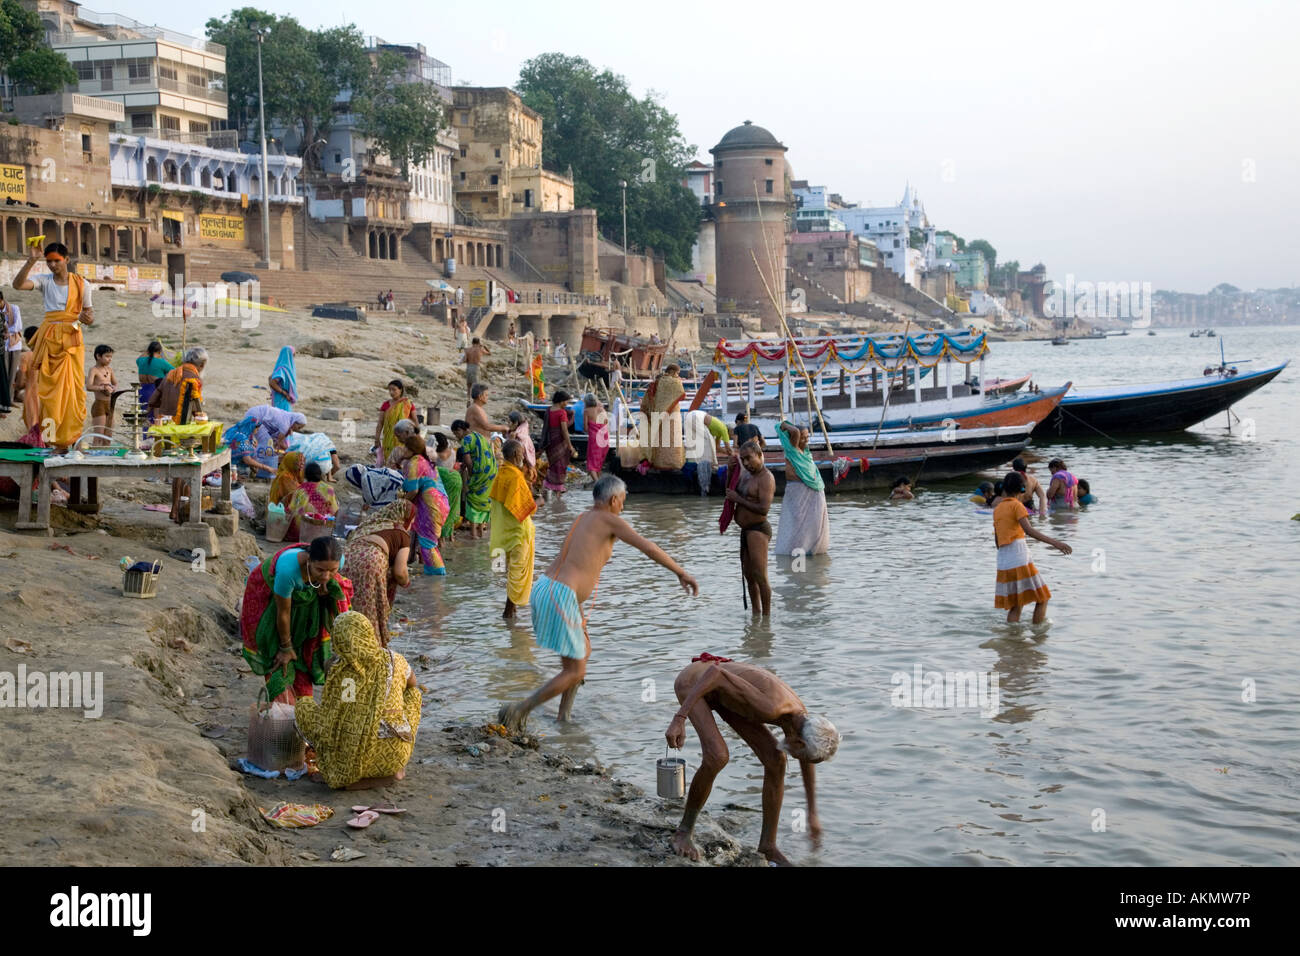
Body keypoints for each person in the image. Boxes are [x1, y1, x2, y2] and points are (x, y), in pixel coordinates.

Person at [497, 475, 697, 733]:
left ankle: (563, 718)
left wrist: (577, 609)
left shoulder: (583, 517)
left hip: (550, 589)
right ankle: (518, 710)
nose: (623, 508)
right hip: (560, 594)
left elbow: (576, 561)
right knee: (575, 671)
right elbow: (648, 547)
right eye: (623, 502)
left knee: (583, 653)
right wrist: (681, 572)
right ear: (613, 500)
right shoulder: (610, 520)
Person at [665, 655, 839, 865]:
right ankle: (683, 832)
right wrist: (679, 719)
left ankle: (768, 846)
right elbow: (716, 673)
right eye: (801, 754)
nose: (799, 759)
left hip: (726, 695)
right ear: (799, 744)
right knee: (718, 756)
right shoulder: (772, 707)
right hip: (696, 683)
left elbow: (806, 760)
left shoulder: (800, 720)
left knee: (776, 761)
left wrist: (812, 813)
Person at [294, 611, 421, 790]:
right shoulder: (394, 660)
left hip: (354, 760)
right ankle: (394, 770)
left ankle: (355, 778)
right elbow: (413, 683)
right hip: (397, 753)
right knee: (414, 695)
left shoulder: (344, 674)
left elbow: (341, 714)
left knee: (304, 706)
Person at [240, 536, 352, 703]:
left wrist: (322, 583)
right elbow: (283, 613)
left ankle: (301, 693)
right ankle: (281, 691)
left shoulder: (337, 560)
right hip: (270, 598)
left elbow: (328, 576)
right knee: (275, 647)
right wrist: (285, 647)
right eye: (320, 570)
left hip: (303, 598)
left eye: (332, 570)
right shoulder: (288, 572)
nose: (327, 575)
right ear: (309, 561)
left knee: (306, 646)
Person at [12, 241, 94, 449]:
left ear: (66, 260)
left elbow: (89, 316)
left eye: (56, 261)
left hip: (72, 342)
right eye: (49, 261)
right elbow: (18, 285)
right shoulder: (45, 281)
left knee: (73, 391)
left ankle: (71, 438)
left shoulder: (83, 284)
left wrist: (86, 318)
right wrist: (32, 260)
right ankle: (48, 440)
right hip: (49, 339)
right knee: (48, 392)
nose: (52, 265)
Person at [993, 471, 1072, 624]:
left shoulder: (998, 509)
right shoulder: (1017, 506)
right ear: (1022, 489)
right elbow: (1029, 531)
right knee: (1043, 598)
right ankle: (1038, 635)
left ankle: (1012, 639)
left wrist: (1006, 557)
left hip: (1003, 561)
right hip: (1019, 558)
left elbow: (997, 540)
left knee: (1017, 605)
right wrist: (1056, 543)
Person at [343, 500, 416, 647]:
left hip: (345, 559)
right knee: (370, 609)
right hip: (371, 560)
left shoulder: (370, 523)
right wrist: (407, 583)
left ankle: (346, 644)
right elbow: (400, 573)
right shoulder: (402, 534)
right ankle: (371, 648)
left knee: (349, 605)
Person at [489, 439, 537, 620]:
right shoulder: (515, 477)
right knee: (517, 571)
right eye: (522, 454)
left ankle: (512, 610)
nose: (523, 457)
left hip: (504, 532)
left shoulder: (501, 473)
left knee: (511, 570)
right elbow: (524, 508)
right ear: (517, 455)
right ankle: (508, 611)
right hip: (518, 532)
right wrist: (537, 502)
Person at [726, 441, 775, 616]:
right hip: (745, 530)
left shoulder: (766, 478)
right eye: (743, 459)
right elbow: (729, 491)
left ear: (760, 455)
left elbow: (764, 508)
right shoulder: (745, 475)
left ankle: (767, 617)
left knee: (760, 575)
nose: (746, 463)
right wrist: (731, 471)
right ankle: (756, 614)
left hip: (758, 529)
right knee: (749, 576)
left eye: (749, 458)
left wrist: (738, 499)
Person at [774, 422, 830, 556]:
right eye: (802, 437)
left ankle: (811, 549)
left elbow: (798, 434)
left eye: (807, 437)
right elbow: (795, 432)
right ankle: (797, 552)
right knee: (798, 521)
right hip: (798, 491)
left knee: (814, 521)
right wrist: (784, 425)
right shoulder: (792, 448)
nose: (805, 440)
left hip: (813, 490)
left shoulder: (805, 451)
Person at [463, 384, 508, 536]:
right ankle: (474, 527)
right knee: (478, 488)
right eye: (487, 395)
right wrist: (503, 427)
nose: (488, 397)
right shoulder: (474, 408)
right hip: (477, 451)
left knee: (486, 489)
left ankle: (481, 526)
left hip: (485, 451)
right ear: (480, 395)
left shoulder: (479, 409)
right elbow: (486, 426)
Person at [401, 434, 449, 575]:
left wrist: (401, 504)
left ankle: (437, 579)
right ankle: (432, 575)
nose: (403, 450)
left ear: (411, 449)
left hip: (431, 505)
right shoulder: (424, 460)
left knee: (428, 545)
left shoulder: (415, 463)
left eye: (405, 447)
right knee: (428, 543)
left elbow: (413, 490)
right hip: (440, 503)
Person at [225, 404, 307, 480]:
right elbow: (248, 460)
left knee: (256, 447)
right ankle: (257, 472)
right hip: (228, 463)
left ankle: (253, 469)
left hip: (229, 457)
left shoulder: (238, 432)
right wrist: (268, 468)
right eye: (257, 428)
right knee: (264, 444)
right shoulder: (243, 439)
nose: (258, 431)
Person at [644, 363, 686, 470]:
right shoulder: (673, 382)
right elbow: (681, 391)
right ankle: (673, 463)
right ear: (672, 372)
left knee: (661, 440)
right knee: (672, 439)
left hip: (659, 414)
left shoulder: (658, 381)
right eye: (677, 373)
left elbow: (650, 398)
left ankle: (659, 462)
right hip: (672, 415)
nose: (677, 375)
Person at [148, 346, 206, 424]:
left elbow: (152, 401)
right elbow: (197, 411)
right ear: (202, 365)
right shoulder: (195, 379)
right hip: (181, 424)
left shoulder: (170, 374)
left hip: (164, 422)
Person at [284, 461, 338, 540]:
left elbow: (291, 508)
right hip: (321, 529)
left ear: (306, 475)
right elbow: (334, 510)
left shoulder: (300, 489)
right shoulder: (329, 489)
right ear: (320, 474)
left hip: (300, 530)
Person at [374, 379, 418, 467]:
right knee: (389, 460)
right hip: (388, 438)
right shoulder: (386, 404)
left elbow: (415, 420)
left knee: (403, 459)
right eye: (389, 390)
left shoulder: (407, 404)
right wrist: (377, 438)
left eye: (394, 389)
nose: (391, 392)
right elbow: (380, 423)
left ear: (400, 390)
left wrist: (417, 436)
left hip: (403, 438)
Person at [542, 390, 575, 496]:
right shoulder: (562, 412)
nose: (567, 404)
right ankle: (557, 493)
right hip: (559, 441)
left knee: (553, 465)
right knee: (560, 466)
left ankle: (549, 489)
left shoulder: (549, 410)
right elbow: (564, 431)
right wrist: (570, 446)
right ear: (561, 401)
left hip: (550, 441)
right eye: (566, 401)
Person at [433, 432, 463, 543]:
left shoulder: (435, 455)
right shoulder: (452, 452)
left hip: (443, 482)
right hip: (455, 479)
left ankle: (441, 540)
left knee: (442, 510)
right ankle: (451, 537)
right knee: (452, 509)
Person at [86, 344, 117, 446]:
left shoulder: (110, 369)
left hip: (110, 404)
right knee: (99, 436)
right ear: (98, 356)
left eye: (111, 357)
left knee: (108, 436)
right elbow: (89, 386)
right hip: (99, 405)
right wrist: (102, 387)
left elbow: (115, 383)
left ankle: (106, 459)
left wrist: (112, 388)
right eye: (107, 356)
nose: (110, 359)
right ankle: (95, 459)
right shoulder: (93, 370)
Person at [134, 340, 172, 421]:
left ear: (148, 350)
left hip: (142, 390)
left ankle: (145, 433)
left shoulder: (141, 360)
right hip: (156, 390)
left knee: (146, 417)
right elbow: (174, 371)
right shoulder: (161, 362)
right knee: (157, 418)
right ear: (160, 351)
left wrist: (147, 351)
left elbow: (138, 359)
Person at [0, 290, 22, 415]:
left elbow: (18, 326)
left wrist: (7, 332)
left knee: (12, 374)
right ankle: (5, 402)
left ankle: (10, 399)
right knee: (4, 375)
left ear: (2, 299)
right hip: (3, 347)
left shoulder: (14, 308)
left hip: (14, 345)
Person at [584, 394, 609, 481]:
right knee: (599, 461)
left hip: (594, 438)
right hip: (604, 437)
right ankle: (599, 481)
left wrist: (592, 429)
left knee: (591, 462)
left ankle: (597, 482)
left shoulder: (586, 411)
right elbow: (606, 422)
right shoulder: (602, 409)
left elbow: (585, 428)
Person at [268, 345, 297, 412]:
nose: (294, 357)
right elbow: (272, 382)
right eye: (293, 355)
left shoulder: (281, 367)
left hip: (279, 398)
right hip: (282, 399)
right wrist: (284, 393)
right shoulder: (283, 369)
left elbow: (270, 377)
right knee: (283, 419)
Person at [463, 336, 490, 401]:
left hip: (469, 367)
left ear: (472, 343)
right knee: (475, 385)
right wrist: (484, 346)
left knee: (468, 385)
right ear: (478, 343)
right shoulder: (480, 349)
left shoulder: (467, 350)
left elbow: (465, 360)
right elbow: (489, 353)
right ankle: (474, 401)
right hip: (476, 367)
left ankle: (468, 399)